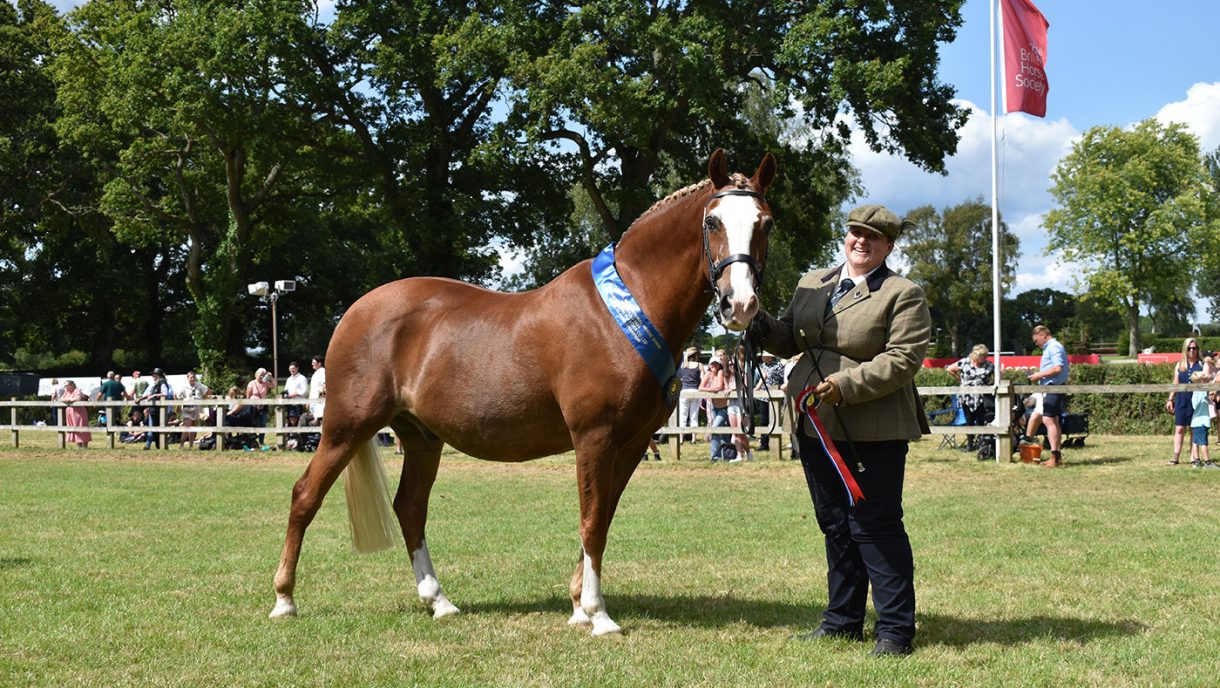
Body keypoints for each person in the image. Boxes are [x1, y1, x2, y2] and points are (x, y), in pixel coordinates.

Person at [750, 204, 930, 657]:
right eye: (855, 232)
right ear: (846, 236)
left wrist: (844, 385)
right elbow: (788, 337)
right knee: (834, 524)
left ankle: (895, 630)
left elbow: (903, 359)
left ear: (889, 246)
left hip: (873, 426)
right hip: (813, 423)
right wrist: (756, 319)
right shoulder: (813, 282)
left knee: (875, 525)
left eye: (874, 236)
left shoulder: (903, 293)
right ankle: (843, 621)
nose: (861, 241)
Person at [1023, 326, 1070, 468]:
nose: (1036, 343)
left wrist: (1039, 375)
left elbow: (1057, 368)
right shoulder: (1051, 347)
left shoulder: (1053, 347)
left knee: (1048, 419)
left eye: (1036, 340)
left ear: (1043, 335)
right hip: (1051, 387)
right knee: (1053, 420)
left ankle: (1055, 457)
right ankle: (1056, 456)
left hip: (1053, 387)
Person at [1165, 337, 1210, 466]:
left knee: (1193, 429)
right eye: (1189, 348)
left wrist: (1205, 372)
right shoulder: (1179, 365)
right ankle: (1175, 457)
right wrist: (1170, 399)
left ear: (1197, 349)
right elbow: (1175, 383)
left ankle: (1193, 457)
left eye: (1194, 348)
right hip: (1181, 399)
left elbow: (1207, 379)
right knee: (1179, 428)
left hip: (1196, 400)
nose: (1191, 351)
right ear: (1185, 349)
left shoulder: (1202, 364)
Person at [945, 344, 996, 454]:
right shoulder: (965, 362)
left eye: (986, 356)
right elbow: (949, 369)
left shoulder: (988, 365)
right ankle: (970, 444)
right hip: (967, 397)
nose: (985, 358)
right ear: (977, 355)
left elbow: (1000, 373)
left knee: (981, 420)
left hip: (982, 397)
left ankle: (982, 443)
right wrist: (960, 380)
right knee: (969, 420)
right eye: (983, 356)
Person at [699, 359, 728, 461]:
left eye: (716, 364)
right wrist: (712, 389)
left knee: (715, 428)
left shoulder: (721, 372)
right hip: (714, 407)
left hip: (725, 407)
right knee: (721, 431)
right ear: (709, 365)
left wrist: (710, 389)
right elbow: (700, 387)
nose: (714, 366)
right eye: (712, 364)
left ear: (719, 365)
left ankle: (715, 456)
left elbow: (719, 387)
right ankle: (725, 455)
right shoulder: (708, 374)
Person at [756, 351, 785, 451]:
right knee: (763, 420)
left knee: (775, 420)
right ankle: (764, 444)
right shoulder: (762, 365)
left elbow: (783, 379)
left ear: (770, 357)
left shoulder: (779, 365)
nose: (762, 357)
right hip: (763, 397)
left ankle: (775, 443)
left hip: (775, 397)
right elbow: (761, 379)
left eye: (764, 356)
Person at [1188, 370, 1217, 469]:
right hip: (1201, 422)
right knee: (1204, 443)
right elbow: (1195, 404)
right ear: (1201, 381)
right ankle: (1207, 462)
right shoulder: (1201, 391)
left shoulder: (1196, 392)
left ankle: (1196, 461)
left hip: (1195, 421)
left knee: (1195, 442)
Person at [138, 368, 172, 449]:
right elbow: (149, 394)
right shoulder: (154, 384)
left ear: (158, 375)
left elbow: (165, 393)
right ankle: (151, 445)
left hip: (159, 410)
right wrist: (141, 399)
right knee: (152, 427)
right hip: (153, 409)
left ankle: (154, 445)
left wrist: (154, 396)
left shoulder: (162, 383)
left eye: (154, 374)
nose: (152, 376)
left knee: (156, 428)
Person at [177, 370, 210, 449]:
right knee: (187, 427)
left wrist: (204, 398)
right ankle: (181, 445)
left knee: (193, 428)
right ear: (188, 378)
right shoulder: (184, 386)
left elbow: (207, 391)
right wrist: (178, 406)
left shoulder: (199, 385)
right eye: (191, 377)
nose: (192, 379)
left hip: (196, 409)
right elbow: (178, 396)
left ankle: (191, 446)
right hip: (187, 409)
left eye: (194, 377)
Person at [676, 347, 704, 443]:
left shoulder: (683, 365)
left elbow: (679, 378)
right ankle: (693, 439)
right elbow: (703, 379)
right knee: (694, 416)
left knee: (683, 416)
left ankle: (681, 439)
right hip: (695, 391)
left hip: (684, 391)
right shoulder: (699, 365)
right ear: (696, 355)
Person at [245, 367, 275, 446]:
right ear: (256, 375)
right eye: (260, 375)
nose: (261, 377)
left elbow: (274, 385)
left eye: (263, 375)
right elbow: (248, 395)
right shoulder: (252, 383)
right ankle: (252, 440)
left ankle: (261, 441)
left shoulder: (266, 383)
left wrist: (270, 377)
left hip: (263, 406)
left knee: (263, 424)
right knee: (253, 423)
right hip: (253, 407)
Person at [60, 380, 92, 448]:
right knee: (74, 427)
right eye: (65, 386)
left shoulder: (77, 390)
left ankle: (84, 446)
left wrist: (70, 400)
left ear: (71, 385)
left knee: (81, 426)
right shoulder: (66, 392)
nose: (65, 387)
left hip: (79, 412)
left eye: (66, 386)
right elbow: (62, 398)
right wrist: (66, 400)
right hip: (70, 412)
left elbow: (78, 398)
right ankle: (79, 446)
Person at [308, 355, 326, 419]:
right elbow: (312, 389)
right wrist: (309, 401)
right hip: (313, 401)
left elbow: (325, 385)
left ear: (319, 363)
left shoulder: (323, 372)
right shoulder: (315, 373)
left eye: (314, 362)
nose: (312, 364)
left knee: (319, 419)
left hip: (319, 402)